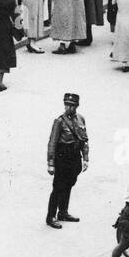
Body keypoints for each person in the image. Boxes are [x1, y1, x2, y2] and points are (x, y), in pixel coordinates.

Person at [46, 93, 88, 229]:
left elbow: (84, 140)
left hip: (75, 156)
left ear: (77, 106)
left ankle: (63, 212)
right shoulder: (59, 121)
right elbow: (52, 143)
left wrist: (86, 158)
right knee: (58, 187)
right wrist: (51, 164)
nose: (69, 108)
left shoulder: (81, 119)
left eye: (72, 105)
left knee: (69, 184)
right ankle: (51, 216)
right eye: (67, 105)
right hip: (62, 156)